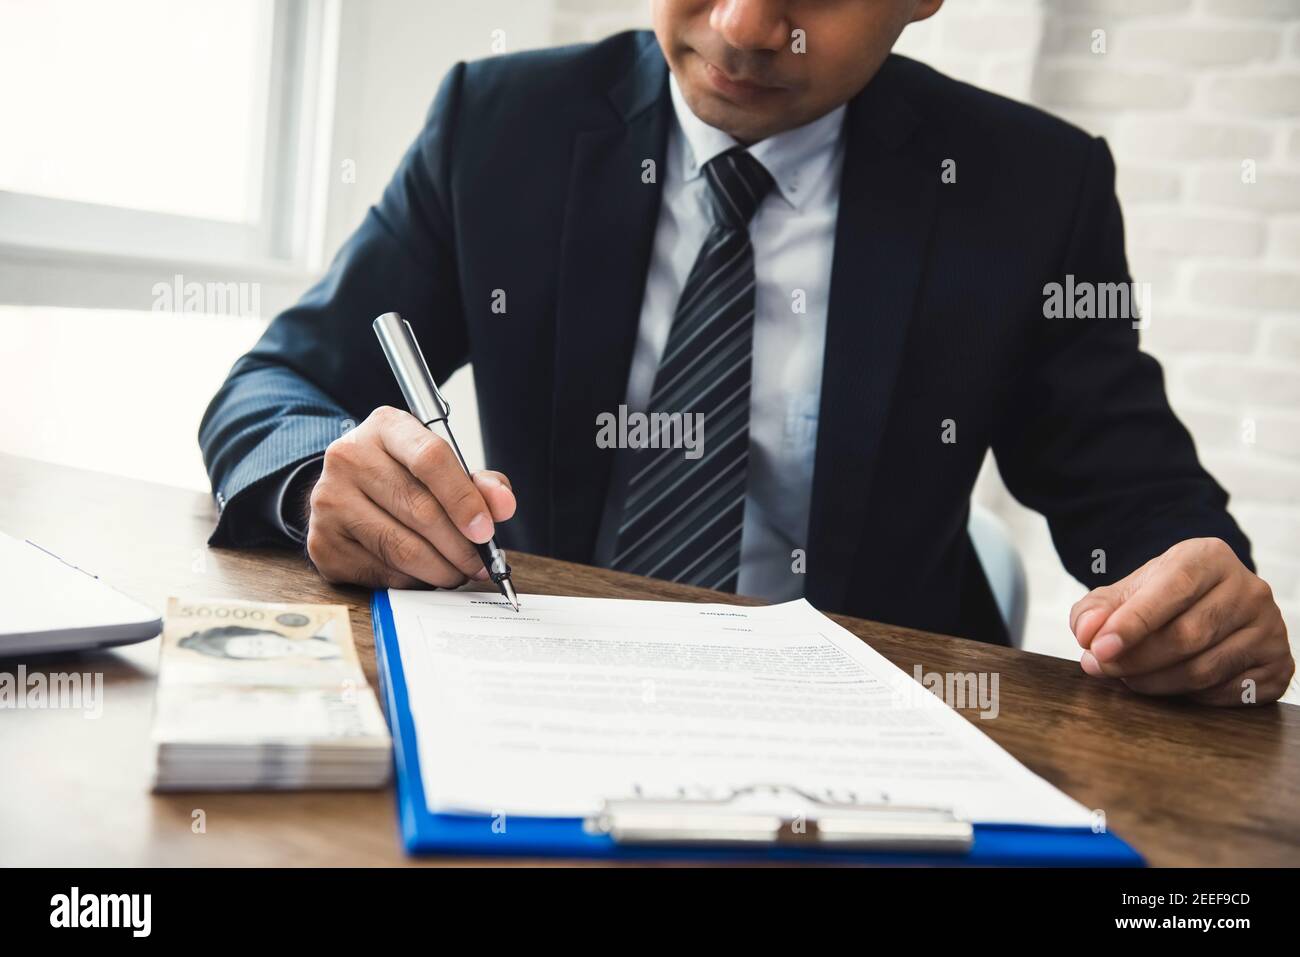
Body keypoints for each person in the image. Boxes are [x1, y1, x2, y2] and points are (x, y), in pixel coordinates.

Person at [200, 0, 1294, 705]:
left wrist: (1193, 600)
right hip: (537, 682)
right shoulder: (496, 124)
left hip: (874, 722)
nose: (742, 27)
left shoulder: (1028, 187)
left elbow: (1144, 506)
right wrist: (316, 481)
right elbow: (276, 388)